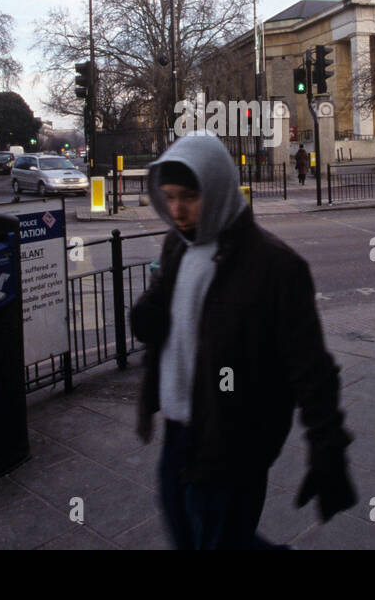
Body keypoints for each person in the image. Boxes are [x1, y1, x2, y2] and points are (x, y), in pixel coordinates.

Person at [130, 132, 356, 549]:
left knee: (217, 538)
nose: (177, 210)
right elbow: (162, 314)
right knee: (190, 534)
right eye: (170, 196)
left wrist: (328, 447)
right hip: (179, 430)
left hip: (235, 439)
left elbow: (310, 367)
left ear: (215, 188)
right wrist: (148, 310)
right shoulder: (177, 246)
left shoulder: (275, 266)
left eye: (189, 197)